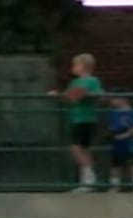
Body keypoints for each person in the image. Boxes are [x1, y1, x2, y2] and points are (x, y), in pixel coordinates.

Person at [49, 53, 104, 190]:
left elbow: (99, 95)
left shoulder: (92, 81)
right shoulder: (75, 82)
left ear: (84, 67)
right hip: (76, 118)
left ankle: (90, 175)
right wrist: (57, 95)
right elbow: (69, 97)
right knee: (83, 149)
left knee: (76, 147)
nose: (73, 68)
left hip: (87, 118)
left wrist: (87, 94)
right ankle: (85, 181)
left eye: (76, 65)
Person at [106, 95, 133, 191]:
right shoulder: (113, 113)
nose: (112, 101)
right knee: (115, 164)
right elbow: (111, 127)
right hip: (116, 142)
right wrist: (113, 135)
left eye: (115, 98)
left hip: (130, 142)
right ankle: (114, 187)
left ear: (123, 99)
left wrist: (125, 135)